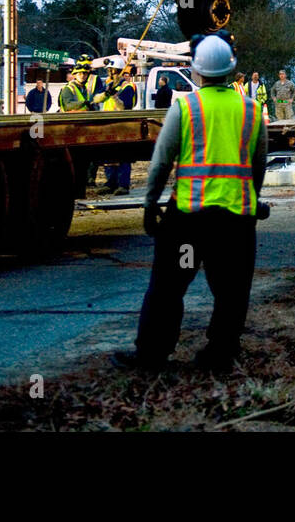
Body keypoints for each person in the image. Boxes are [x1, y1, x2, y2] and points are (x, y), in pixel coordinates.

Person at [128, 32, 269, 372]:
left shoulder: (185, 107)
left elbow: (162, 161)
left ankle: (152, 354)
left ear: (196, 71)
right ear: (231, 71)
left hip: (189, 219)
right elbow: (258, 164)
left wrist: (150, 203)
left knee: (167, 287)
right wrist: (252, 199)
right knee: (232, 291)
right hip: (235, 221)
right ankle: (221, 353)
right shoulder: (251, 110)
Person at [102, 56, 137, 195]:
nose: (110, 74)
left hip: (122, 126)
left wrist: (114, 97)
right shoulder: (110, 86)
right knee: (109, 157)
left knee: (123, 156)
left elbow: (124, 107)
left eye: (111, 71)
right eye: (109, 71)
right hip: (109, 125)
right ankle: (110, 183)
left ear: (118, 71)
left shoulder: (127, 87)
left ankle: (123, 185)